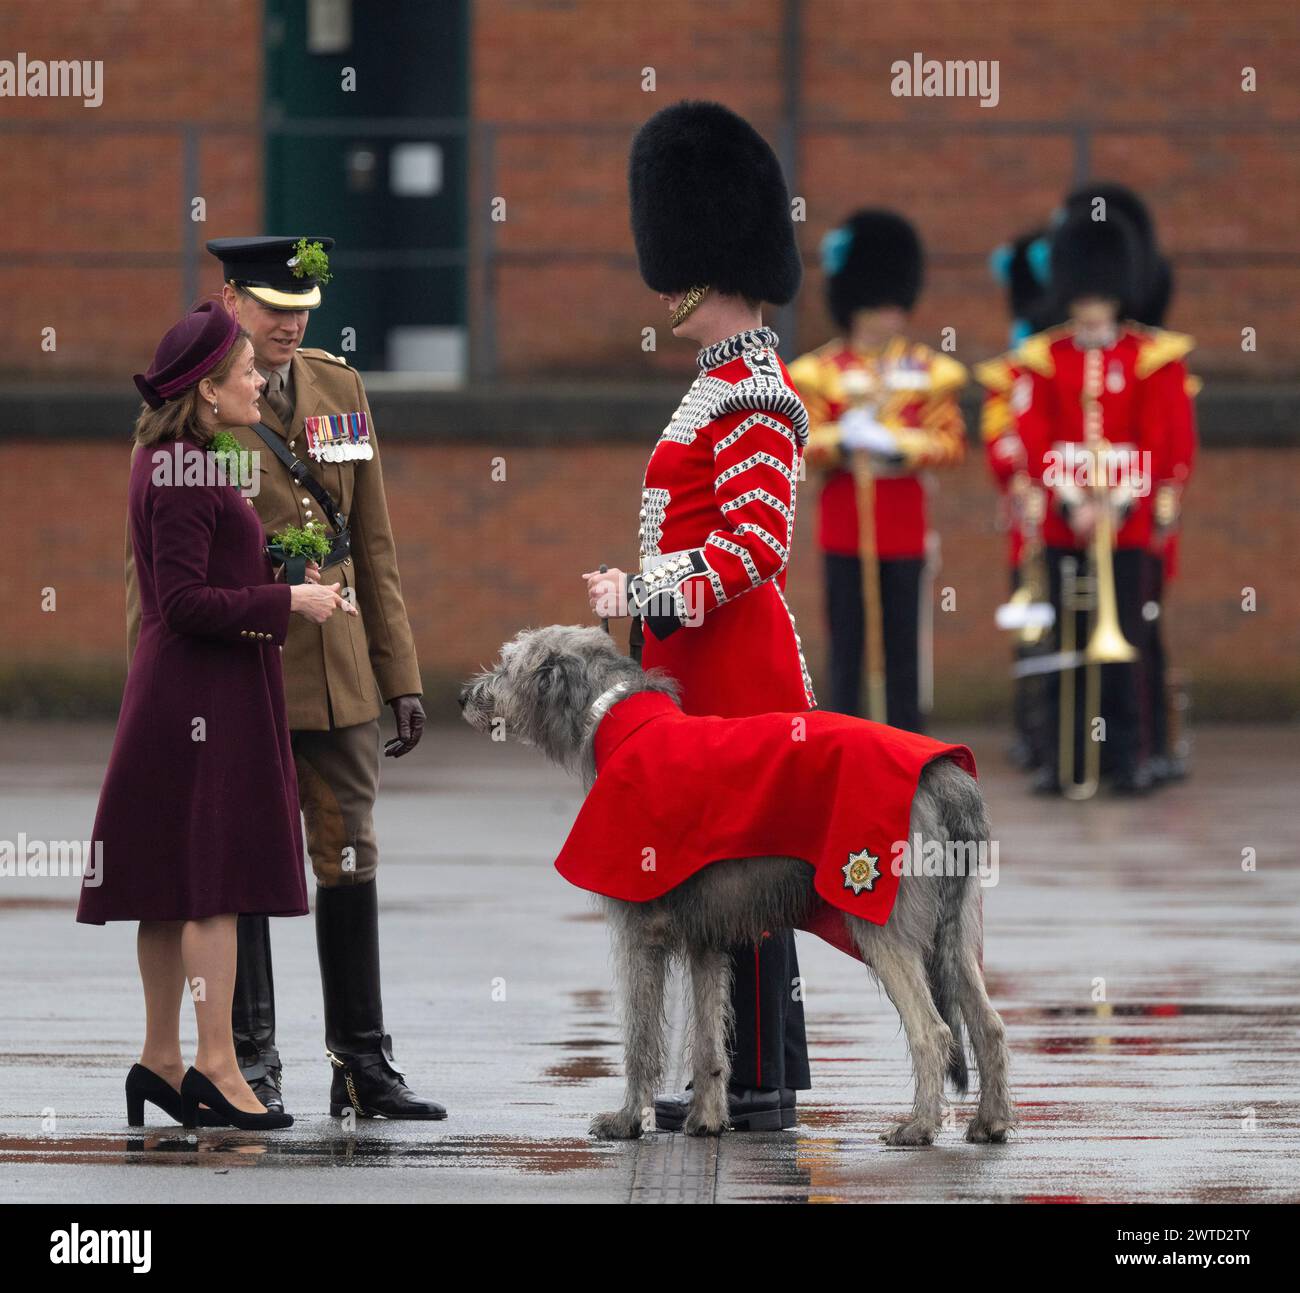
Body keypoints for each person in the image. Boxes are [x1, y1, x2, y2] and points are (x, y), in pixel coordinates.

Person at [124, 237, 445, 1120]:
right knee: (238, 857)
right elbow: (155, 577)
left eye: (303, 308)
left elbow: (371, 539)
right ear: (231, 301)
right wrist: (153, 690)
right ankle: (250, 1057)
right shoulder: (197, 399)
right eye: (274, 307)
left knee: (350, 851)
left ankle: (363, 1061)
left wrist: (398, 671)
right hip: (237, 664)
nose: (292, 324)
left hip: (336, 663)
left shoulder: (339, 387)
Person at [583, 99, 814, 1133]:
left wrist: (647, 594)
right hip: (698, 661)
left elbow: (757, 546)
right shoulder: (717, 384)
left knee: (746, 867)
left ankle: (757, 1076)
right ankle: (737, 1070)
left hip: (735, 665)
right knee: (710, 861)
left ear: (707, 268)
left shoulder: (752, 391)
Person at [78, 302, 353, 1130]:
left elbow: (198, 571)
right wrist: (288, 601)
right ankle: (217, 1065)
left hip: (184, 692)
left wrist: (273, 569)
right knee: (212, 887)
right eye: (245, 372)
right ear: (205, 389)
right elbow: (185, 600)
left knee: (168, 885)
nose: (258, 381)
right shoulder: (184, 468)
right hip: (201, 696)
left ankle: (162, 1061)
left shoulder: (175, 459)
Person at [1013, 208, 1195, 795]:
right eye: (1083, 297)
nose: (1091, 309)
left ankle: (1127, 758)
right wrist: (1072, 505)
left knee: (1127, 649)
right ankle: (1064, 759)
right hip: (1067, 524)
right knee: (1066, 645)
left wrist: (1117, 505)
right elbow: (1034, 440)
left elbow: (1160, 442)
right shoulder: (1046, 357)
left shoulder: (1150, 357)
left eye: (1100, 297)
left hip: (1127, 525)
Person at [789, 210, 967, 731]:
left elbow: (951, 443)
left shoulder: (928, 372)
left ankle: (906, 742)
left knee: (902, 648)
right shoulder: (820, 372)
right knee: (847, 645)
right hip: (845, 525)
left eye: (892, 307)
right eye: (877, 307)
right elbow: (801, 444)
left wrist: (896, 444)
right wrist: (841, 440)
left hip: (903, 524)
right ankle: (847, 739)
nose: (888, 318)